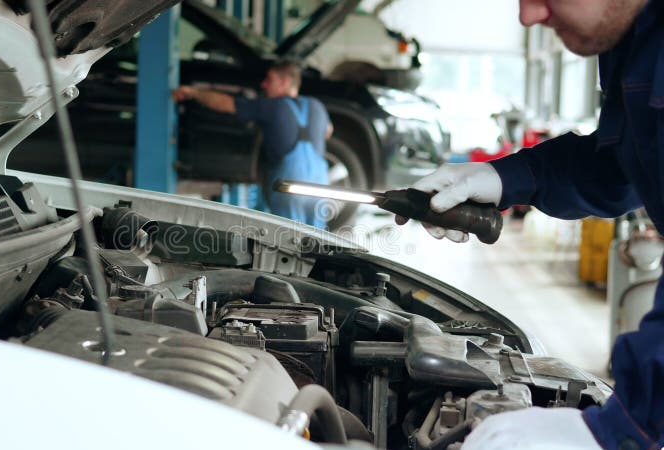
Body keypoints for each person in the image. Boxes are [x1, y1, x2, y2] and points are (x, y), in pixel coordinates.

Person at [398, 1, 664, 449]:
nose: (528, 16)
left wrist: (624, 429)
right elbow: (623, 170)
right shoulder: (634, 38)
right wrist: (506, 177)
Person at [173, 60, 333, 228]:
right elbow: (329, 130)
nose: (263, 84)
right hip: (319, 182)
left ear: (284, 81)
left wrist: (194, 93)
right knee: (318, 238)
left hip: (290, 182)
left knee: (290, 238)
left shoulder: (271, 106)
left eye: (269, 80)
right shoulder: (317, 106)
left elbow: (226, 104)